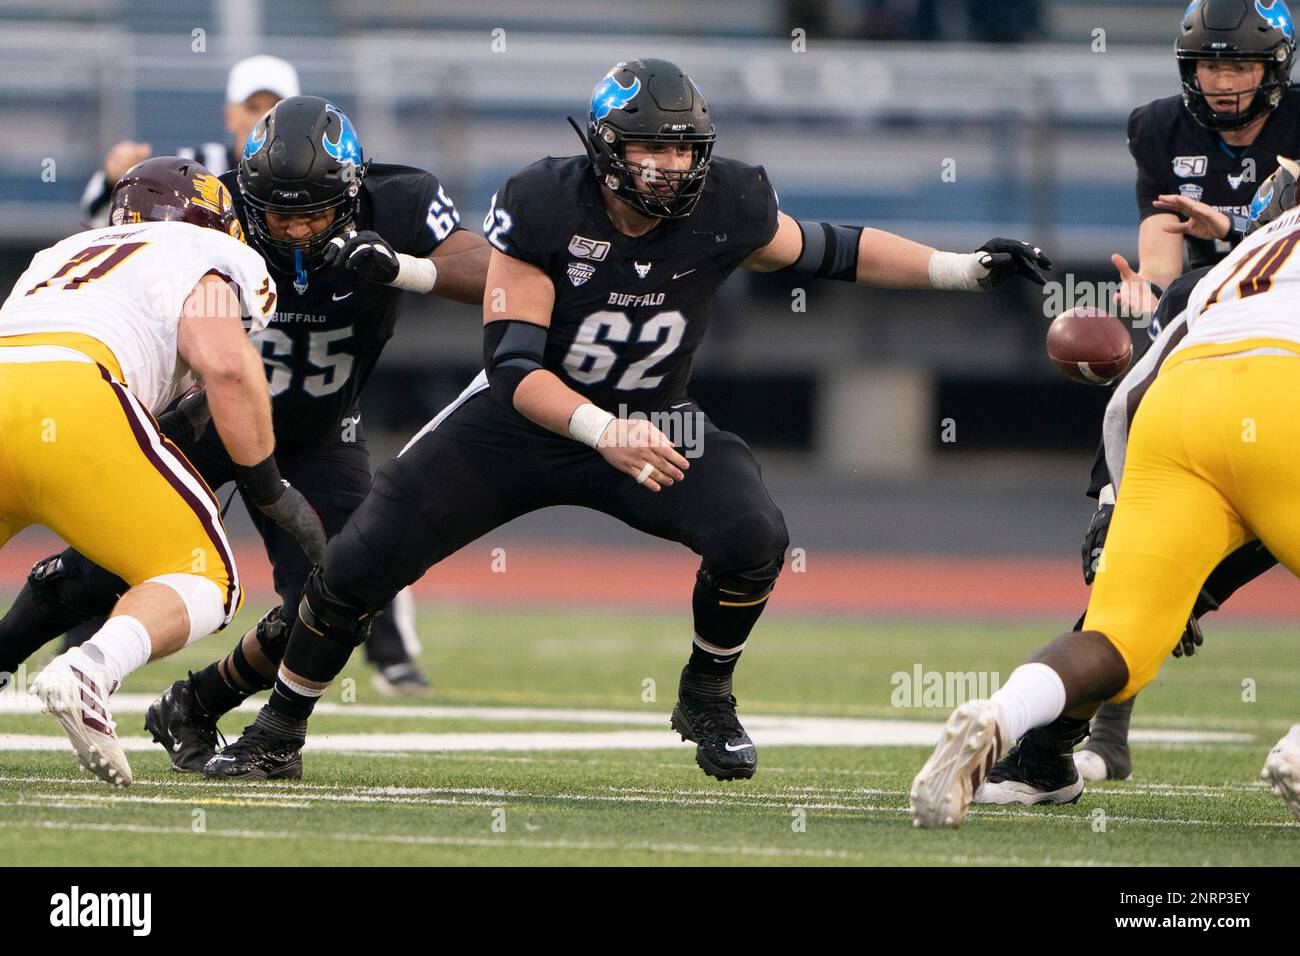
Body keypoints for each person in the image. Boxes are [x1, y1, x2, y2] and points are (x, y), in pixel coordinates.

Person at [203, 58, 1051, 782]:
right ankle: (278, 731)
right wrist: (604, 432)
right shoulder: (543, 203)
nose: (669, 166)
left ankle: (707, 692)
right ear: (606, 149)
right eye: (649, 147)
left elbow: (833, 248)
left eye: (682, 149)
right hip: (521, 422)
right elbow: (512, 370)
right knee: (358, 563)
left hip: (656, 417)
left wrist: (961, 269)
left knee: (754, 534)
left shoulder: (729, 201)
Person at [0, 97, 490, 774]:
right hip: (207, 414)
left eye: (313, 211)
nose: (292, 229)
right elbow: (136, 258)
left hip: (319, 430)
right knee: (111, 563)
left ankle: (204, 705)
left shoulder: (399, 202)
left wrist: (406, 267)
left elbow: (499, 275)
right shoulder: (214, 212)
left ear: (352, 193)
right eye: (278, 212)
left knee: (344, 591)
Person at [910, 171, 1300, 828]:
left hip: (1176, 411)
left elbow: (1134, 392)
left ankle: (1000, 715)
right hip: (1282, 393)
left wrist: (1120, 508)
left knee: (1116, 638)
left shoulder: (1233, 267)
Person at [0, 156, 323, 787]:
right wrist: (267, 487)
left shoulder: (62, 253)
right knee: (204, 576)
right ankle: (91, 667)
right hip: (74, 392)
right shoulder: (203, 251)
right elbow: (226, 366)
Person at [1069, 0, 1299, 781]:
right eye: (1210, 64)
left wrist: (1231, 233)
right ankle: (1097, 730)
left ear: (1276, 70)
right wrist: (1152, 292)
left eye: (1239, 65)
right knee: (1144, 552)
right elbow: (1164, 238)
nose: (1224, 81)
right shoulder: (1161, 128)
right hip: (1215, 326)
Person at [81, 55, 301, 227]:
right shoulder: (195, 164)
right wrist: (116, 177)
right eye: (252, 108)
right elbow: (98, 214)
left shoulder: (317, 169)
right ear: (230, 116)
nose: (264, 117)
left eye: (276, 108)